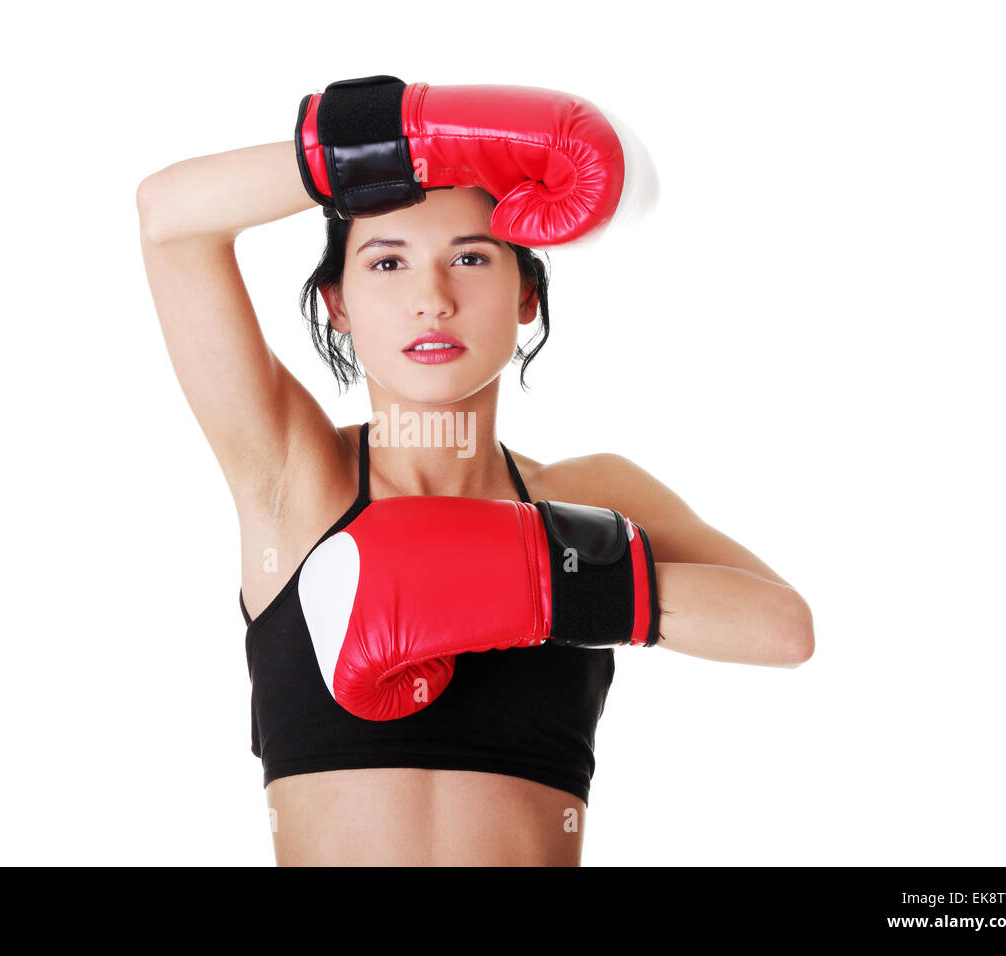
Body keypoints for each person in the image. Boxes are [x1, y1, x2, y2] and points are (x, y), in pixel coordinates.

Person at [137, 88, 814, 865]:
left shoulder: (587, 493)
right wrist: (409, 136)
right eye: (387, 261)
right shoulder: (294, 478)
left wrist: (533, 575)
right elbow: (169, 218)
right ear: (338, 306)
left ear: (527, 291)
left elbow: (784, 629)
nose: (432, 300)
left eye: (470, 256)